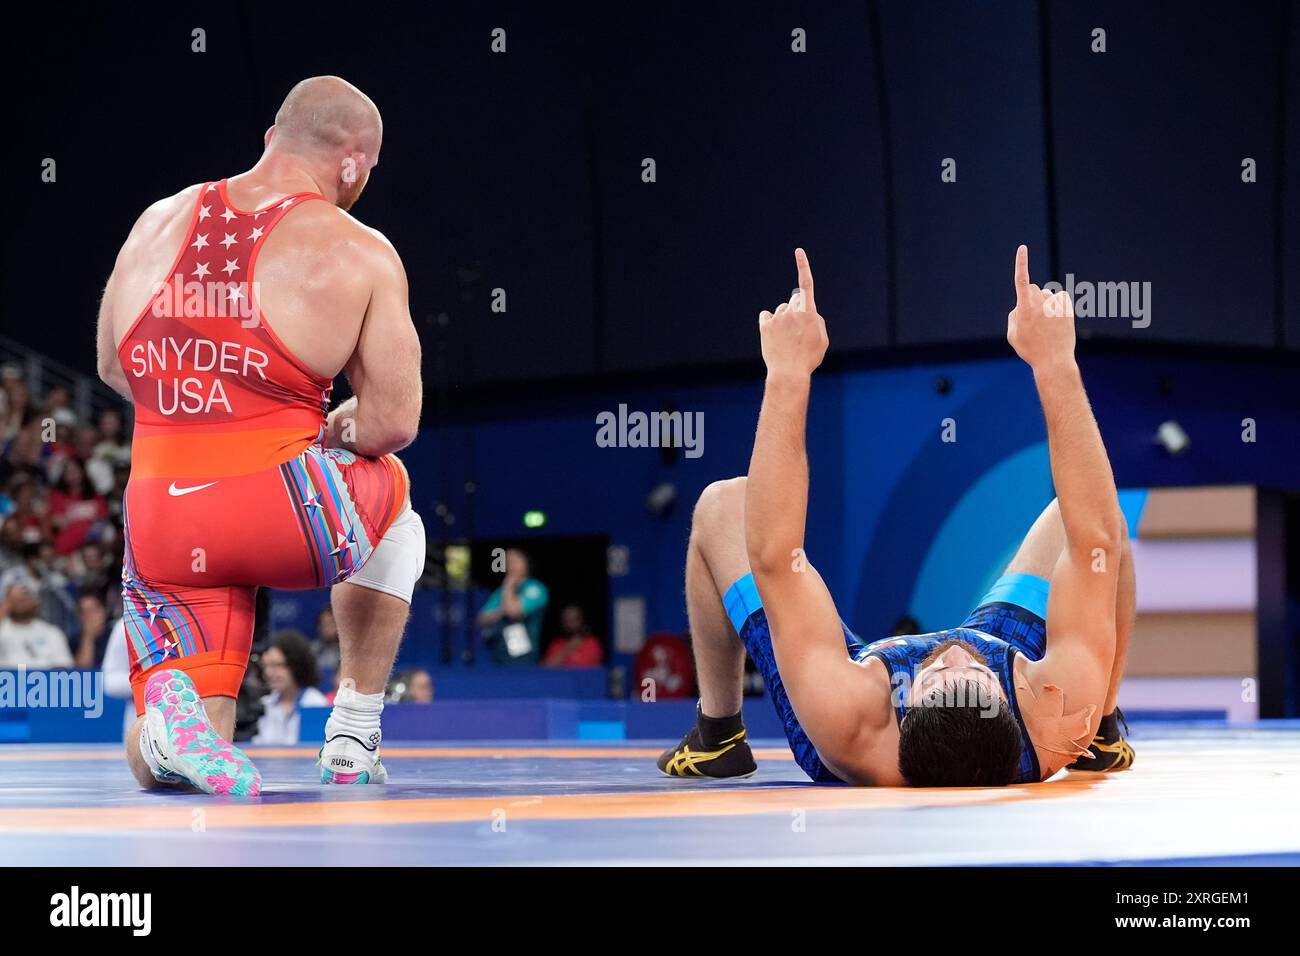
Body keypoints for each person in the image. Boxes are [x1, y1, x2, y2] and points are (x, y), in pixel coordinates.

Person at [658, 247, 1135, 786]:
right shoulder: (1054, 710)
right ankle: (1102, 732)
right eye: (978, 673)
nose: (956, 654)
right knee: (1100, 531)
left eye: (940, 675)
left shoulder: (850, 715)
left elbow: (774, 557)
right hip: (1020, 697)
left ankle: (718, 734)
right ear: (1008, 701)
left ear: (907, 704)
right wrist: (1056, 364)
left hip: (853, 695)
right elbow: (1092, 530)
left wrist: (788, 375)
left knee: (722, 505)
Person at [96, 76, 426, 795]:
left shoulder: (157, 218)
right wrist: (337, 424)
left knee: (183, 761)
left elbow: (112, 368)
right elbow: (394, 423)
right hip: (280, 508)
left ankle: (162, 726)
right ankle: (352, 735)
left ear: (273, 138)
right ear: (352, 164)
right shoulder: (361, 248)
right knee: (397, 507)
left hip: (161, 519)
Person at [252, 630, 329, 745]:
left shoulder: (316, 703)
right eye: (266, 666)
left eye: (278, 665)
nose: (269, 673)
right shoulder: (263, 705)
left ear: (296, 665)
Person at [477, 549, 548, 665]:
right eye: (508, 562)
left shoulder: (535, 588)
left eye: (515, 560)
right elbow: (482, 618)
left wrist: (509, 585)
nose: (511, 565)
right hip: (499, 653)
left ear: (526, 563)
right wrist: (502, 610)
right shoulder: (501, 591)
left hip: (524, 656)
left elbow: (513, 612)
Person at [0, 581, 74, 669]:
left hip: (43, 680)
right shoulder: (3, 628)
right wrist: (6, 605)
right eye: (15, 599)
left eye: (26, 596)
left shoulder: (52, 632)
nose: (21, 601)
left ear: (37, 602)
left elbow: (64, 666)